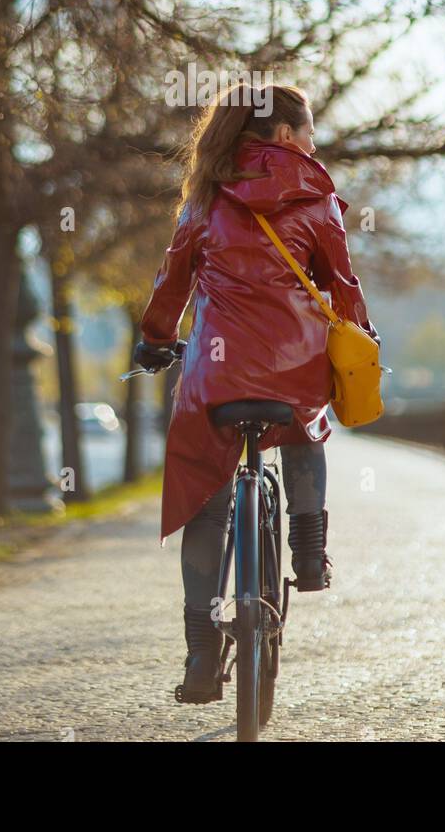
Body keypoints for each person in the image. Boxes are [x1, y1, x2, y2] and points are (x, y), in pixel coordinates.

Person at [135, 82, 379, 703]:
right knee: (305, 420)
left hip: (217, 376)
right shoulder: (315, 197)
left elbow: (172, 284)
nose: (314, 143)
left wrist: (156, 339)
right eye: (311, 133)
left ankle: (198, 650)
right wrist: (365, 339)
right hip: (294, 371)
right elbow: (343, 289)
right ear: (286, 136)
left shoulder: (205, 199)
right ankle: (308, 552)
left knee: (207, 502)